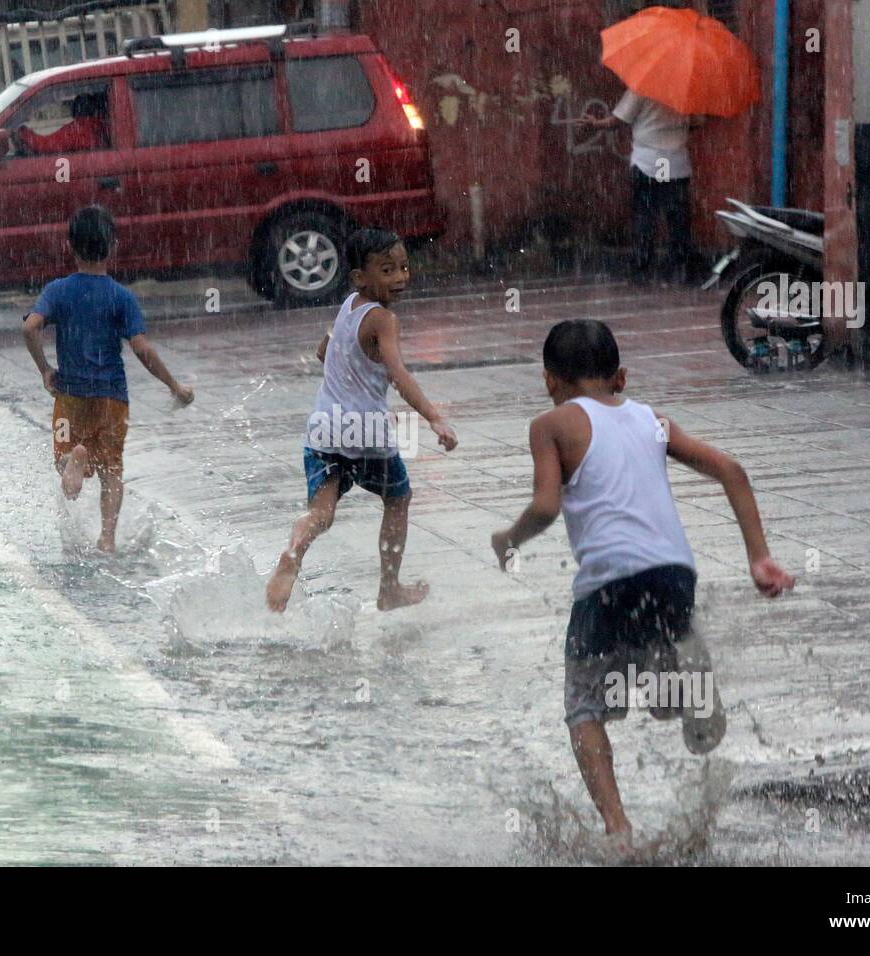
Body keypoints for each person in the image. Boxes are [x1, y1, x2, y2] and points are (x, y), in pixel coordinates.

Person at [491, 319, 794, 842]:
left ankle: (618, 826)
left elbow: (545, 505)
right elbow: (732, 470)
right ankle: (689, 680)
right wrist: (759, 557)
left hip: (607, 580)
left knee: (584, 705)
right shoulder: (653, 420)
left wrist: (509, 539)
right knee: (659, 693)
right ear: (622, 378)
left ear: (549, 381)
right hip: (674, 572)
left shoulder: (551, 424)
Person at [265, 228, 458, 613]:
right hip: (366, 432)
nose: (400, 277)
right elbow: (399, 375)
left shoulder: (349, 303)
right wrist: (435, 418)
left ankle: (292, 553)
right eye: (387, 270)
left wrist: (348, 368)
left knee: (321, 514)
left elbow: (324, 351)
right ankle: (389, 589)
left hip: (324, 426)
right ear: (359, 277)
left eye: (404, 267)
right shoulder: (384, 319)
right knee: (398, 498)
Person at [21, 205, 193, 553]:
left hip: (70, 396)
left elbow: (30, 327)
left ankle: (74, 457)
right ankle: (108, 538)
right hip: (112, 400)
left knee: (63, 462)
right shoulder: (121, 297)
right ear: (112, 246)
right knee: (112, 471)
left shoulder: (58, 291)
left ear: (70, 246)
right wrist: (174, 386)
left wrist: (44, 368)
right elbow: (142, 349)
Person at [582, 89, 694, 284]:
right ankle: (679, 265)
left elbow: (618, 120)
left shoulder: (641, 89)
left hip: (649, 161)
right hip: (675, 161)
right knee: (677, 217)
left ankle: (641, 265)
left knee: (645, 214)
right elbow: (696, 122)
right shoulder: (685, 91)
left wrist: (594, 123)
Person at [13, 92, 109, 155]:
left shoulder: (80, 129)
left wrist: (22, 132)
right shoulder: (99, 126)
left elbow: (45, 145)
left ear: (76, 110)